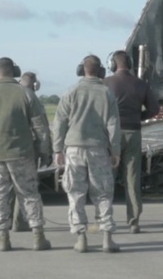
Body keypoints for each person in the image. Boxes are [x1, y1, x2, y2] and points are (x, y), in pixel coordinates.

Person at [0, 57, 52, 252]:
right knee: (29, 194)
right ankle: (38, 237)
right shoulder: (27, 94)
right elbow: (40, 127)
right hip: (22, 154)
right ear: (15, 71)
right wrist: (44, 151)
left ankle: (3, 239)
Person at [52, 54, 122, 254]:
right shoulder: (106, 93)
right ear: (101, 71)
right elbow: (113, 124)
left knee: (76, 193)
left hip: (74, 149)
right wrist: (115, 150)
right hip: (98, 148)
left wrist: (57, 149)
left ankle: (81, 238)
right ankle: (107, 238)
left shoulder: (70, 92)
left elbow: (59, 122)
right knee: (103, 193)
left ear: (82, 70)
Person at [104, 50, 160, 234]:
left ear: (112, 64)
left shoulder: (106, 84)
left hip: (111, 135)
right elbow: (154, 109)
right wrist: (138, 116)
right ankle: (134, 221)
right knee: (132, 177)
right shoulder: (141, 84)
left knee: (108, 177)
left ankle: (106, 219)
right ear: (129, 64)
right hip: (134, 132)